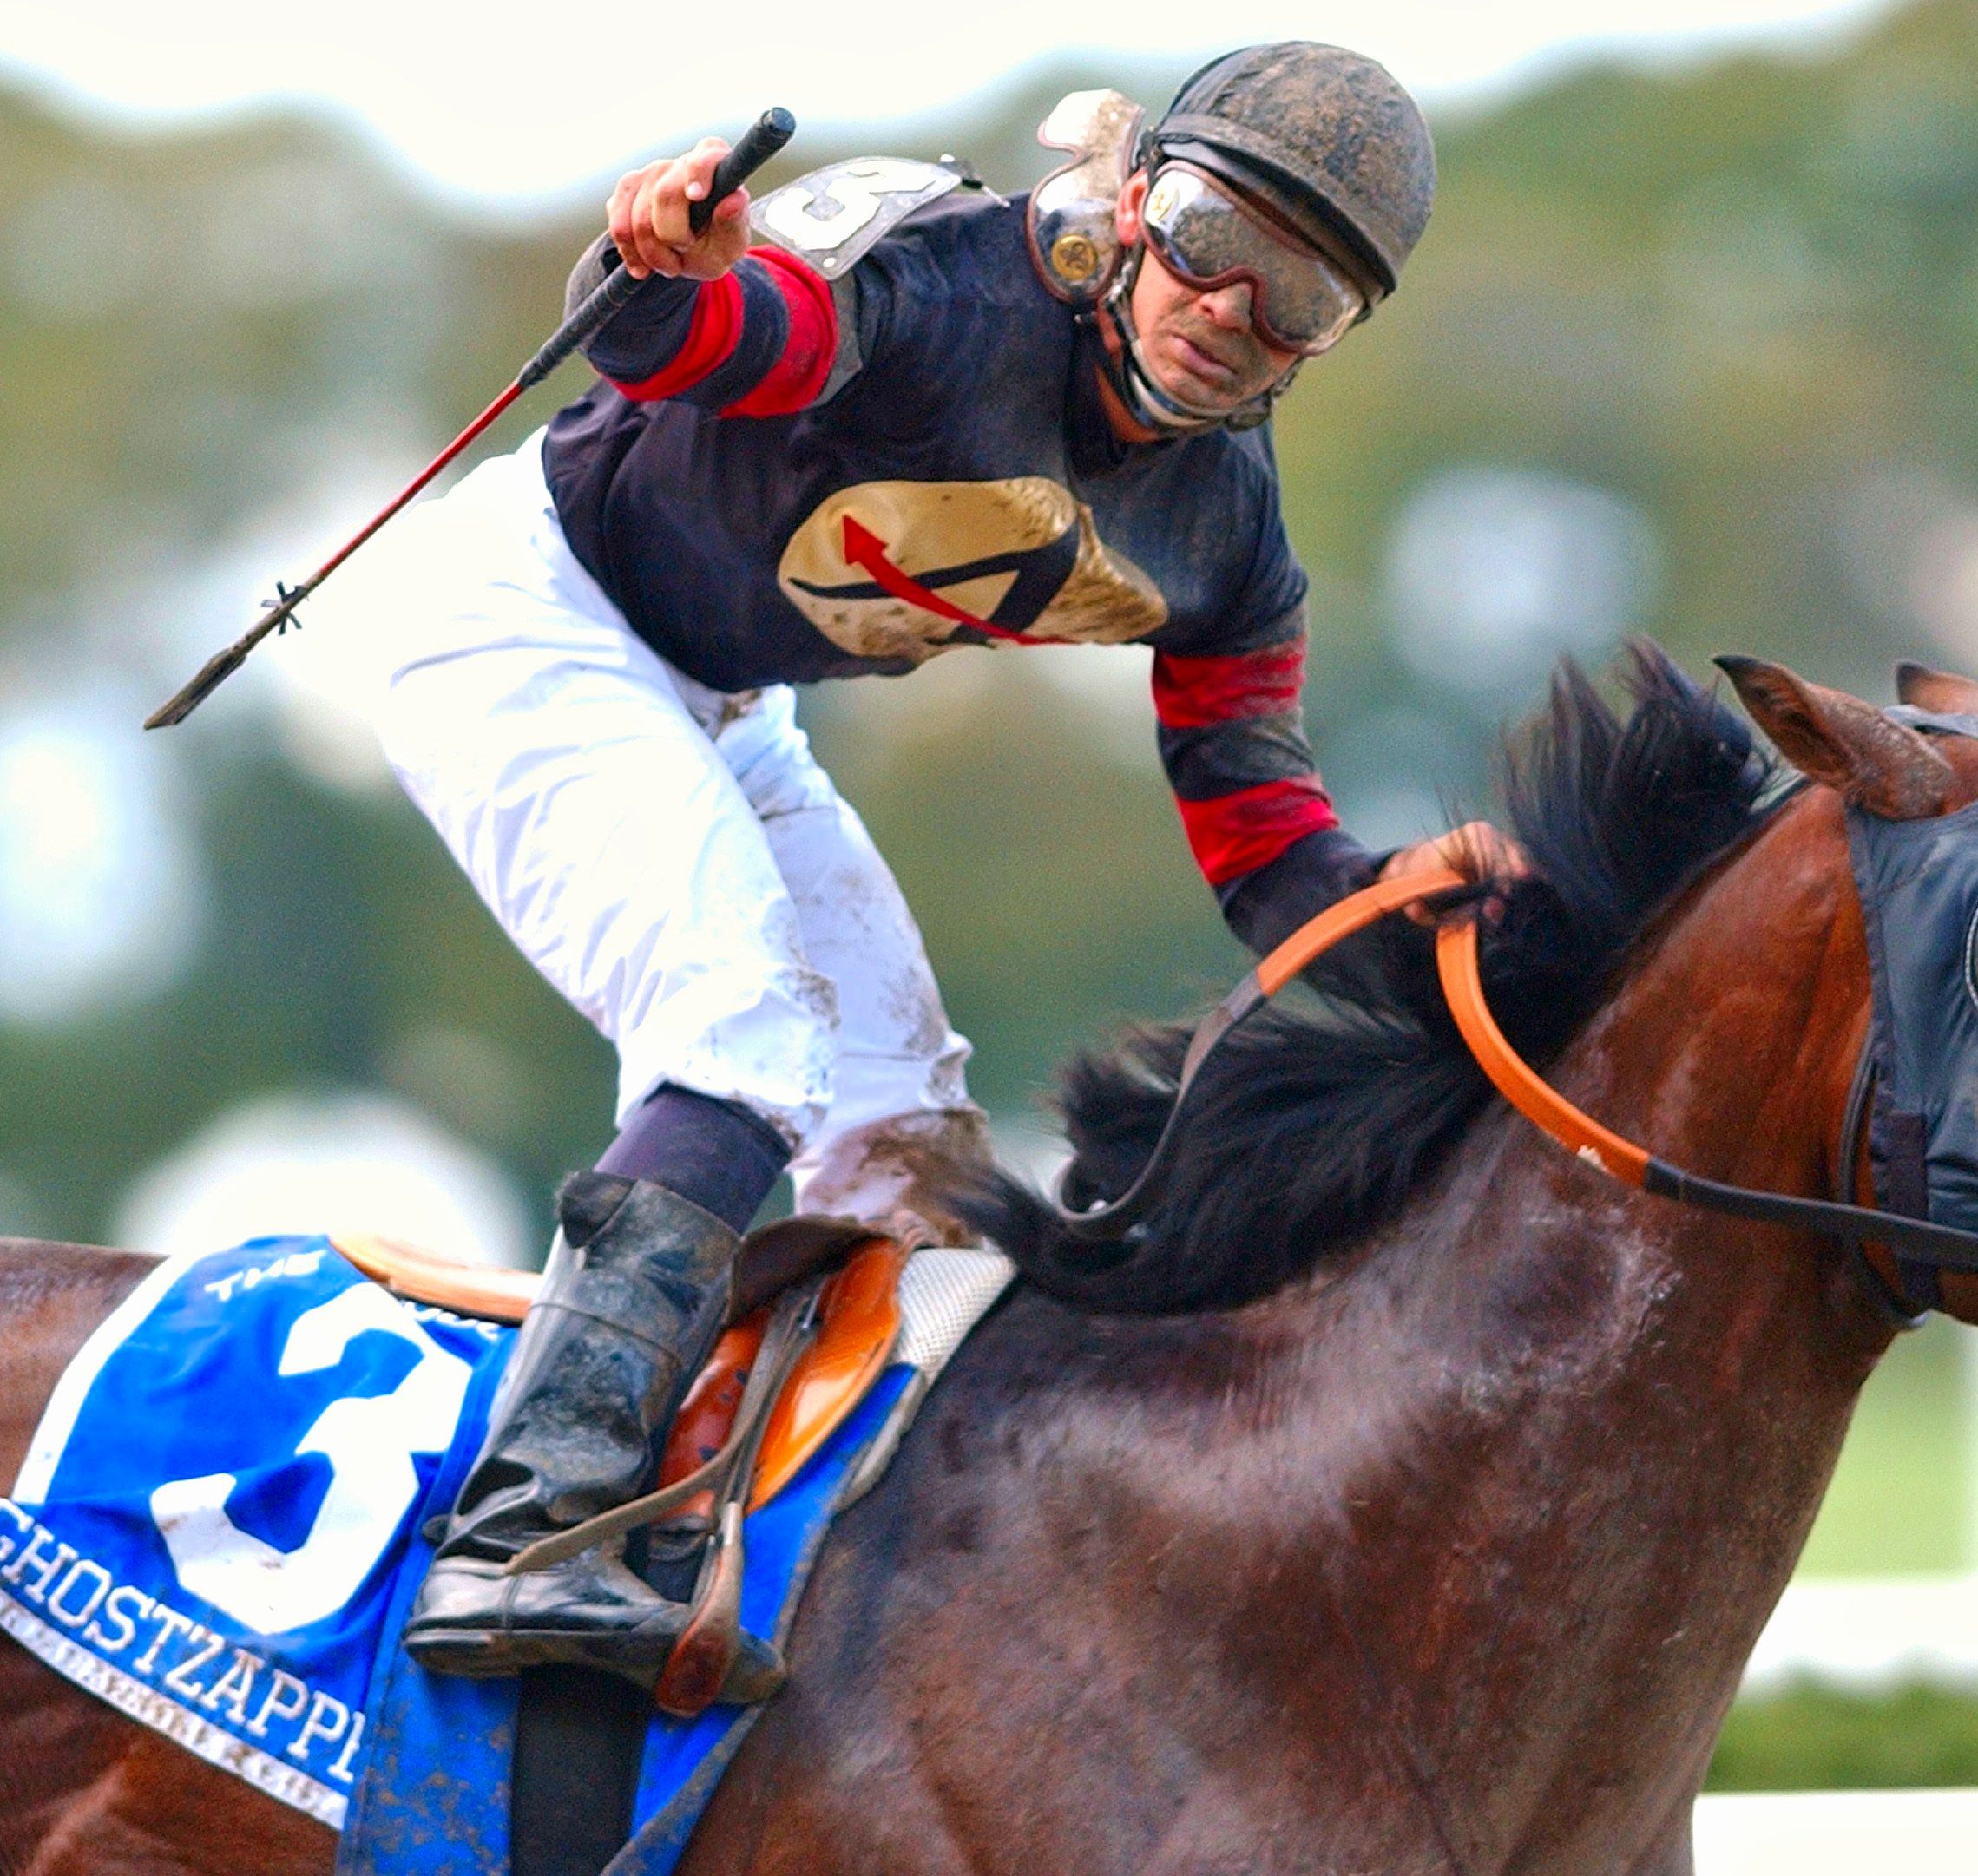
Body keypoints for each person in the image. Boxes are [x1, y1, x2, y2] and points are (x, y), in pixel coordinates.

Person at [372, 43, 1527, 1697]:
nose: (1229, 313)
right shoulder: (954, 283)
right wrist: (659, 262)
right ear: (1129, 199)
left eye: (1300, 301)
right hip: (523, 614)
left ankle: (820, 1546)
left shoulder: (1228, 543)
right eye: (1210, 238)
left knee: (907, 1135)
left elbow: (1262, 837)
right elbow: (704, 340)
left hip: (721, 704)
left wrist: (1427, 930)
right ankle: (522, 1532)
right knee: (739, 1028)